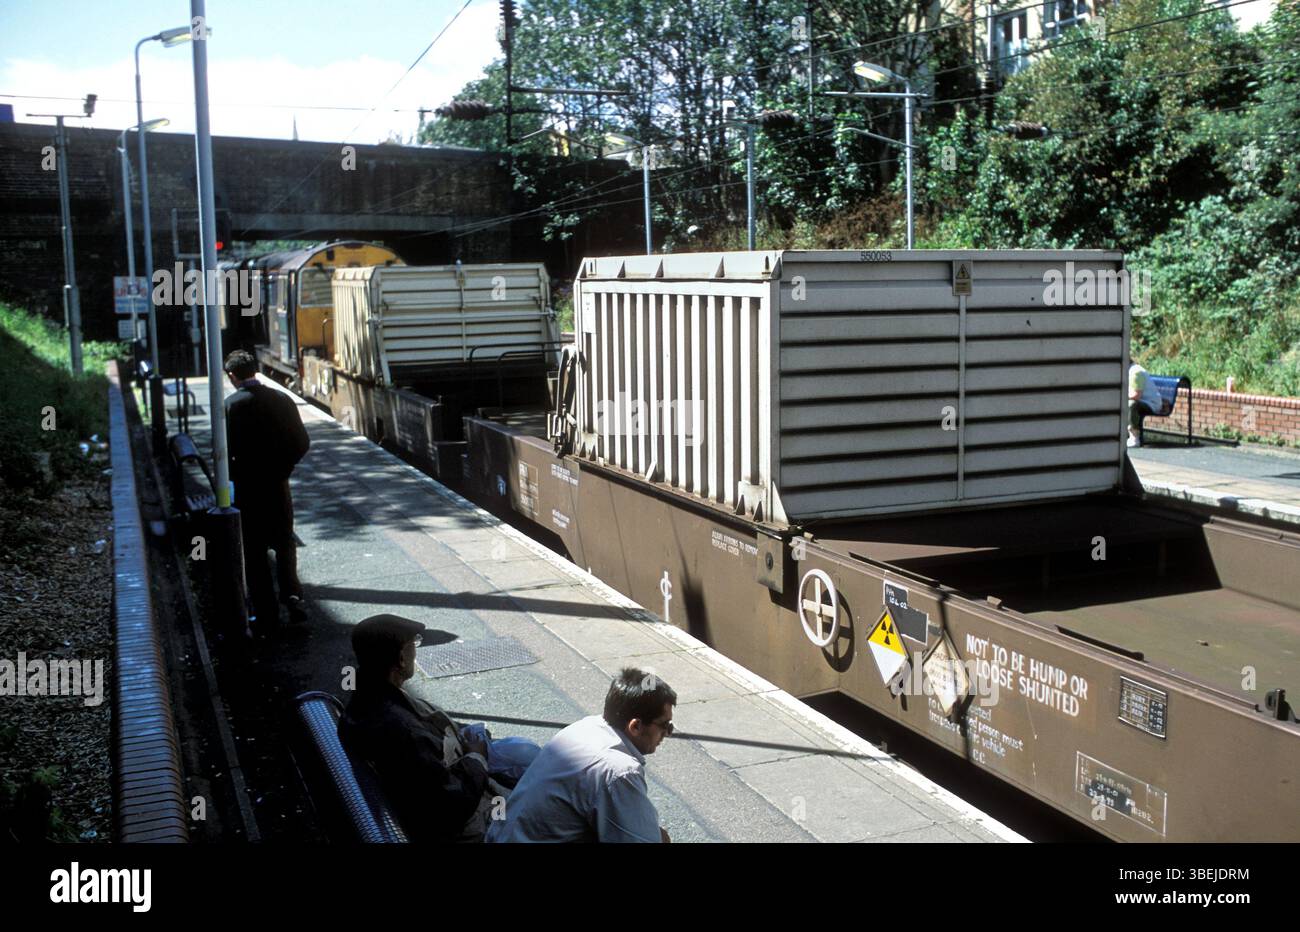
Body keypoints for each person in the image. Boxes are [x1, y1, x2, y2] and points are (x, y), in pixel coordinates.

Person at [338, 613, 539, 842]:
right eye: (414, 644)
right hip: (458, 824)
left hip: (413, 798)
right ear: (401, 658)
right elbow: (453, 804)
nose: (416, 649)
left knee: (526, 754)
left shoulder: (366, 696)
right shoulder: (404, 731)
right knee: (545, 806)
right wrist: (476, 757)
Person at [486, 667, 676, 844]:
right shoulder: (619, 770)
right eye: (665, 725)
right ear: (635, 726)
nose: (668, 733)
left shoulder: (585, 727)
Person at [223, 350, 310, 630]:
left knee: (255, 550)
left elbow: (223, 452)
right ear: (256, 370)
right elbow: (302, 442)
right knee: (285, 544)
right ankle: (293, 596)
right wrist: (285, 468)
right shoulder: (281, 399)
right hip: (278, 485)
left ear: (232, 376)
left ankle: (265, 610)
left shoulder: (231, 406)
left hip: (248, 489)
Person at [1128, 362, 1163, 448]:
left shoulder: (1136, 373)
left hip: (1151, 403)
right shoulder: (1129, 371)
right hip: (1142, 401)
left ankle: (1134, 437)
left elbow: (1136, 395)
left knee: (1132, 404)